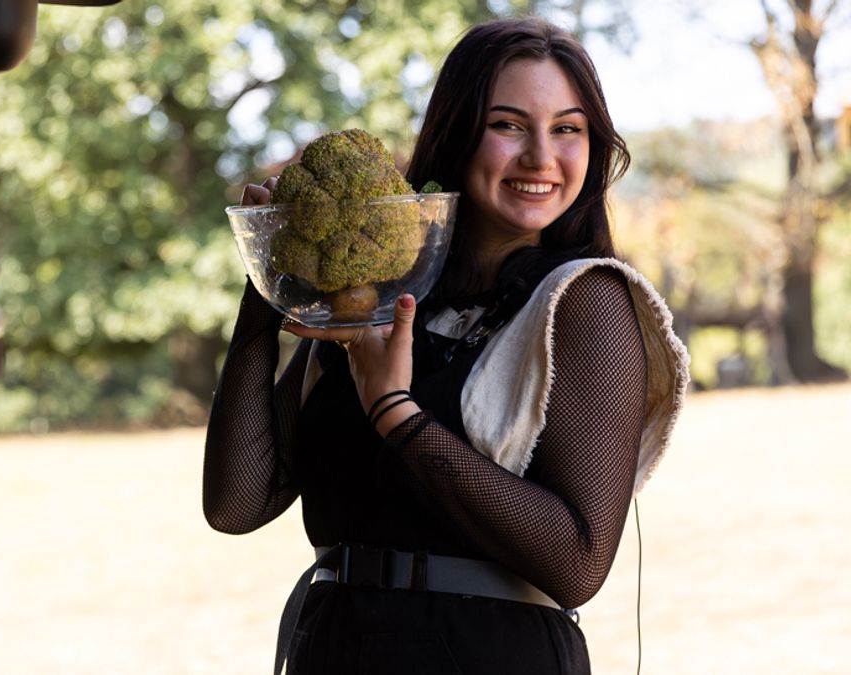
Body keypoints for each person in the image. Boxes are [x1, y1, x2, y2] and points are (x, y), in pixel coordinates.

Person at [203, 16, 689, 675]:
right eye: (508, 124)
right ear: (458, 132)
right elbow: (236, 503)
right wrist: (268, 282)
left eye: (567, 128)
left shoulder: (584, 300)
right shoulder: (374, 291)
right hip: (339, 648)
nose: (541, 156)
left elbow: (578, 563)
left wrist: (396, 413)